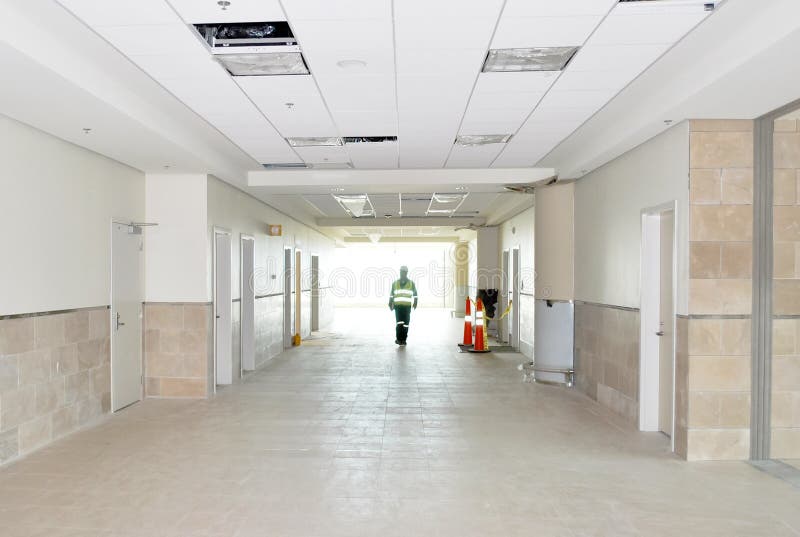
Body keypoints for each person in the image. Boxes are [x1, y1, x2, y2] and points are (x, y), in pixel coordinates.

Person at [388, 265, 418, 346]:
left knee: (405, 324)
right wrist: (390, 303)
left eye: (404, 272)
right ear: (400, 272)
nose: (402, 273)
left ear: (406, 273)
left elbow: (415, 294)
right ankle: (398, 339)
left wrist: (415, 302)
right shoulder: (395, 283)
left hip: (407, 307)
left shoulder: (411, 283)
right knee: (399, 323)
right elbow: (391, 295)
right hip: (398, 307)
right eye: (401, 272)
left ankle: (403, 340)